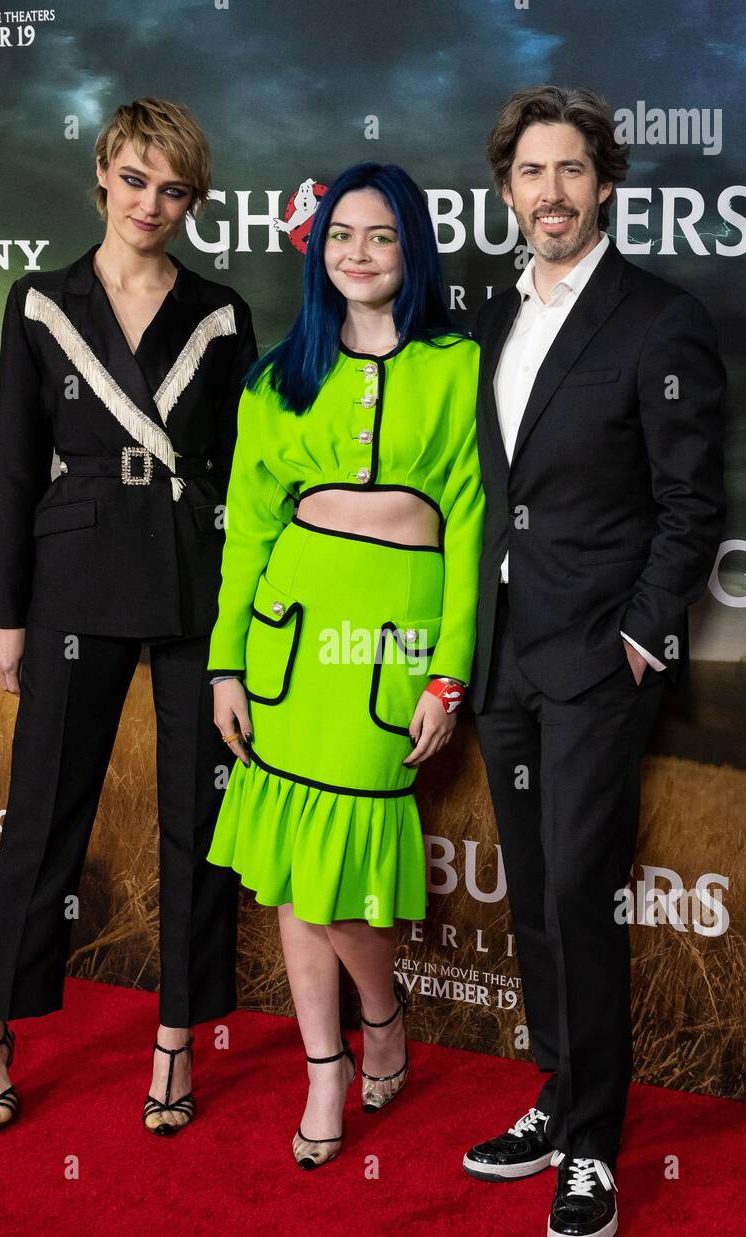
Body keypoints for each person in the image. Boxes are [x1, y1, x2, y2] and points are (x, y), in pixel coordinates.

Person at [462, 85, 726, 1237]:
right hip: (502, 657)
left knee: (577, 888)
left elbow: (689, 504)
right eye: (530, 172)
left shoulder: (654, 319)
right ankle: (556, 1094)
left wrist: (636, 637)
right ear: (507, 188)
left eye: (570, 171)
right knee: (530, 892)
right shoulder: (487, 313)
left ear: (602, 184)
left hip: (593, 659)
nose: (550, 192)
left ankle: (593, 1148)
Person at [0, 97, 257, 1137]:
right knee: (41, 814)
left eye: (172, 189)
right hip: (73, 580)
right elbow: (10, 467)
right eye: (134, 179)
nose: (150, 203)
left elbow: (242, 474)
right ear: (101, 174)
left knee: (197, 826)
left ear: (191, 200)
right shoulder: (39, 301)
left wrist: (237, 630)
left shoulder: (220, 313)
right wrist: (9, 614)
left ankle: (175, 1040)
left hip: (189, 582)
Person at [205, 162, 485, 1169]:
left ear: (410, 250)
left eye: (377, 236)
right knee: (290, 880)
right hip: (288, 639)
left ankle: (383, 1008)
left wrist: (447, 674)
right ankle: (324, 1067)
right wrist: (226, 662)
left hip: (389, 643)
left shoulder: (461, 368)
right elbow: (247, 533)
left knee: (338, 887)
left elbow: (473, 527)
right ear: (315, 253)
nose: (356, 254)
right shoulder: (275, 378)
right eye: (337, 237)